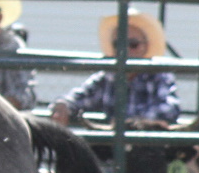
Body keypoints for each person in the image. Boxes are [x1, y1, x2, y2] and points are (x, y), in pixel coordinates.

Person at [50, 9, 180, 125]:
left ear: (146, 47)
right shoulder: (108, 76)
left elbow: (169, 107)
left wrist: (136, 122)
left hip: (146, 143)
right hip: (115, 145)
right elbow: (80, 97)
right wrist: (64, 105)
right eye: (119, 44)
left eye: (133, 44)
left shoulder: (158, 74)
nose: (126, 50)